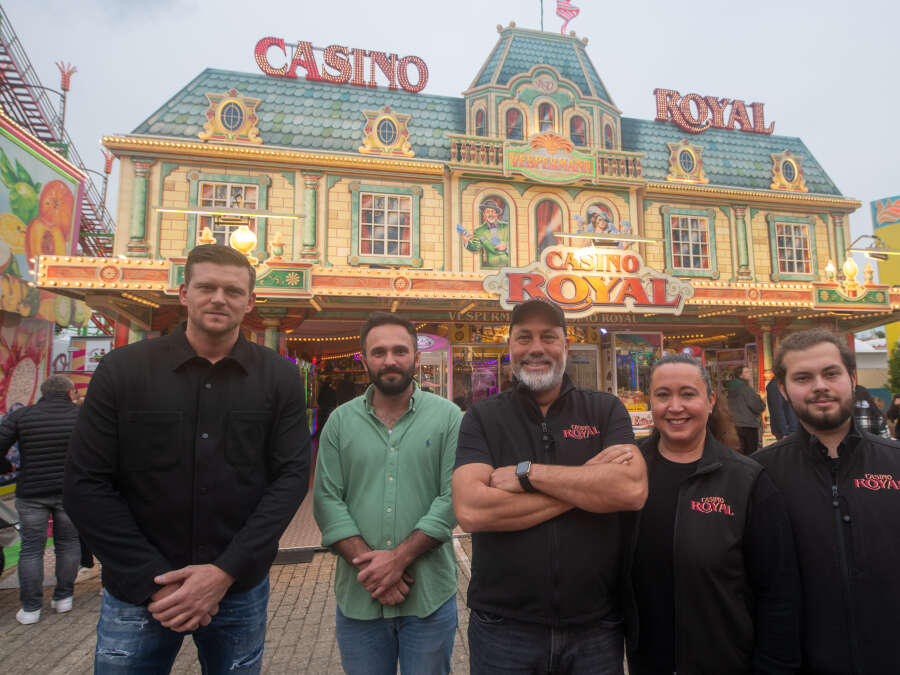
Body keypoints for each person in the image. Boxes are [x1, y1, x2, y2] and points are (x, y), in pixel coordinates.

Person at [64, 244, 311, 674]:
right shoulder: (122, 370)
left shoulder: (280, 377)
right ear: (184, 293)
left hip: (237, 589)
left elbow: (290, 478)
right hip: (140, 592)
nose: (219, 298)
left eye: (233, 291)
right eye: (207, 287)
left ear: (250, 302)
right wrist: (153, 582)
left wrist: (223, 573)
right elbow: (85, 483)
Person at [452, 299, 647, 674]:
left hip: (596, 627)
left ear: (566, 346)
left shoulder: (605, 410)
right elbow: (472, 510)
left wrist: (528, 475)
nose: (536, 348)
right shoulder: (483, 418)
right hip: (503, 628)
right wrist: (587, 487)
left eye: (548, 337)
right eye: (524, 337)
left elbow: (631, 490)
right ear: (510, 347)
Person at [624, 354, 801, 675]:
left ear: (710, 400)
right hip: (648, 661)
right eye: (663, 395)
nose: (675, 407)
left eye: (687, 394)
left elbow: (778, 591)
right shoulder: (627, 473)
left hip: (726, 660)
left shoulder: (747, 480)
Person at [314, 312, 461, 674]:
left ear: (415, 356)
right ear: (364, 359)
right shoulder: (339, 421)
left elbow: (452, 498)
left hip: (428, 598)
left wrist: (397, 560)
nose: (390, 360)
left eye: (400, 350)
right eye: (378, 352)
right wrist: (374, 569)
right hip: (360, 601)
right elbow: (327, 501)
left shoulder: (449, 418)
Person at [754, 329, 900, 674]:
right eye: (803, 377)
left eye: (831, 373)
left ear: (851, 379)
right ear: (784, 391)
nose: (819, 386)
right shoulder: (758, 475)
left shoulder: (895, 463)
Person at [0, 375, 81, 625]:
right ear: (70, 393)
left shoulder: (21, 416)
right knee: (68, 543)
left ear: (43, 393)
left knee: (31, 549)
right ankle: (64, 598)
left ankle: (31, 607)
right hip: (70, 491)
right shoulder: (83, 416)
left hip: (31, 491)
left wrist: (6, 467)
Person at [726, 365, 765, 454]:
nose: (750, 374)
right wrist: (761, 401)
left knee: (740, 452)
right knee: (751, 453)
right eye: (747, 372)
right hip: (748, 425)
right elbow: (757, 406)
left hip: (735, 425)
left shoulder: (729, 389)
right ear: (740, 376)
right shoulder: (745, 389)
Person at [461, 197, 510, 268]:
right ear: (484, 214)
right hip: (492, 265)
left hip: (509, 265)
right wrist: (466, 242)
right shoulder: (479, 231)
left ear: (496, 214)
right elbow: (476, 248)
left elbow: (516, 244)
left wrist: (506, 247)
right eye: (487, 212)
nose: (490, 214)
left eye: (493, 211)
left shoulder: (506, 227)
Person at [766, 372, 798, 441]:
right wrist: (784, 432)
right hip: (788, 429)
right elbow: (778, 409)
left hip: (791, 428)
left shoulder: (784, 383)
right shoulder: (776, 386)